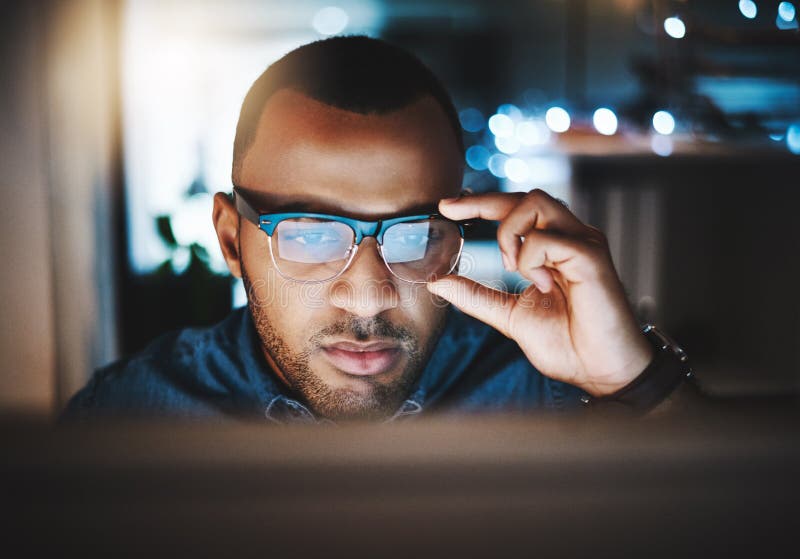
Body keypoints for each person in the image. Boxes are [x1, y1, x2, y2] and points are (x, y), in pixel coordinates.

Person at [64, 36, 693, 423]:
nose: (368, 297)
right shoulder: (129, 418)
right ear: (231, 239)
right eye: (309, 233)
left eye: (414, 233)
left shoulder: (550, 393)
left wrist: (635, 382)